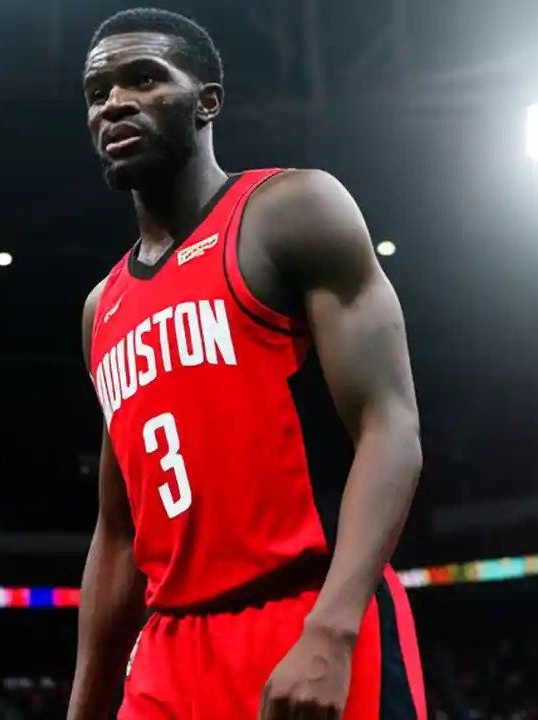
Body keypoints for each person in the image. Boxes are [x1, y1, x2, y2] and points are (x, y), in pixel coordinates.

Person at [70, 7, 425, 720]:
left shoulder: (290, 211)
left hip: (303, 611)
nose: (114, 103)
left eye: (143, 78)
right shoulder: (101, 307)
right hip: (168, 652)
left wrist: (331, 630)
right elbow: (118, 533)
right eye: (97, 90)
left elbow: (390, 428)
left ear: (208, 101)